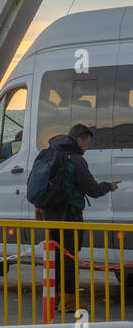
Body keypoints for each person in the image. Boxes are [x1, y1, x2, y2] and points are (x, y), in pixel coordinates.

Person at [35, 123, 120, 314]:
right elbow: (92, 189)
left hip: (50, 214)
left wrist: (39, 206)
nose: (87, 147)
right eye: (87, 143)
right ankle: (68, 301)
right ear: (79, 139)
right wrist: (109, 186)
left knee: (55, 256)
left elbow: (39, 183)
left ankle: (55, 298)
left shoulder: (51, 153)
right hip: (70, 215)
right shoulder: (75, 159)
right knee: (69, 257)